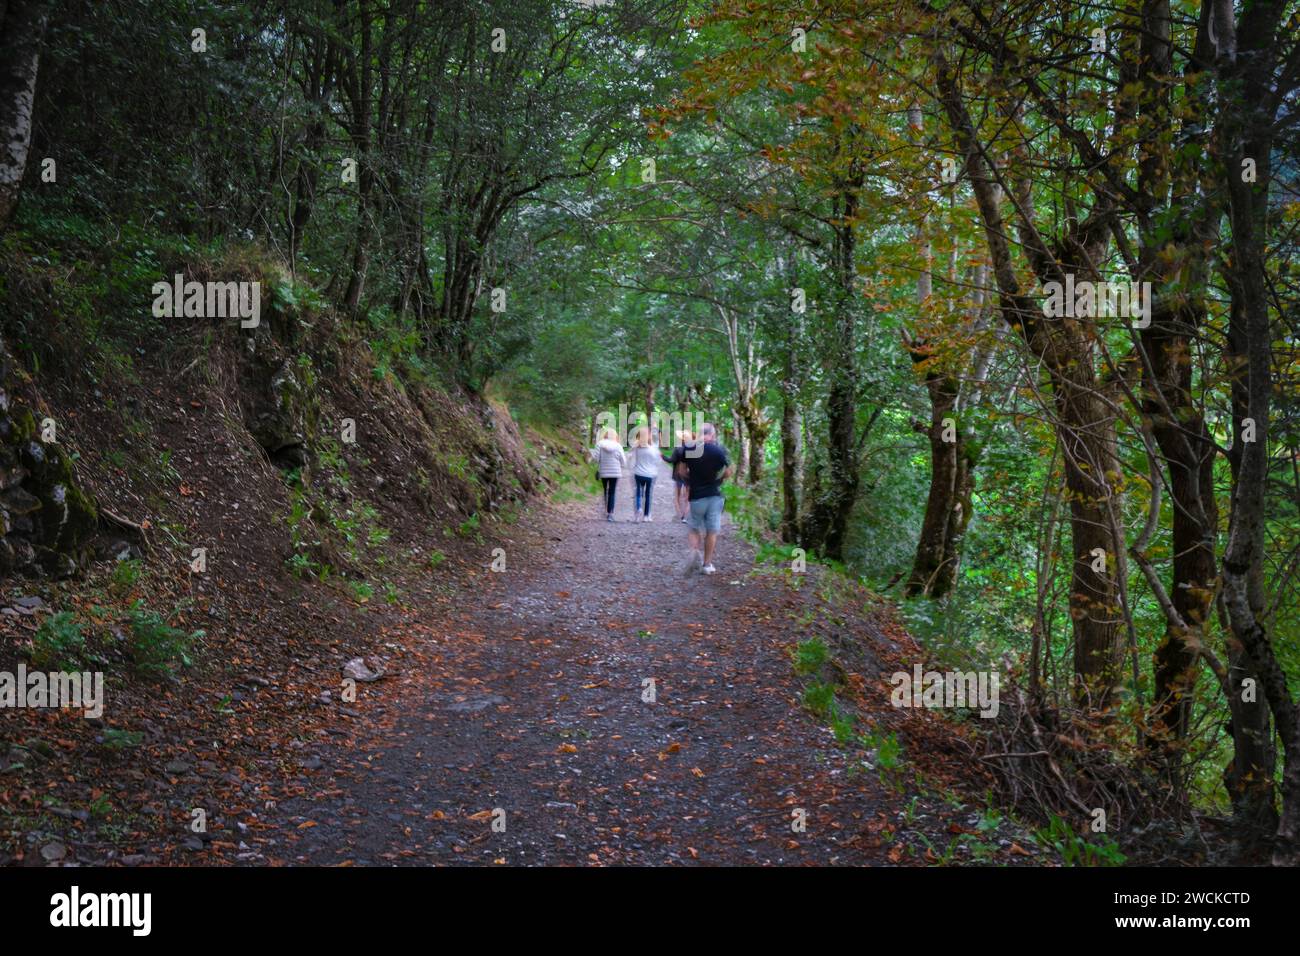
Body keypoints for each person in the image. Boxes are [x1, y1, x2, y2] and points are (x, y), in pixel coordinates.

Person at [669, 422, 732, 575]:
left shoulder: (689, 449)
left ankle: (694, 551)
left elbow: (681, 471)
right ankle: (707, 564)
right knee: (712, 531)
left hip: (696, 496)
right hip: (715, 495)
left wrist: (692, 479)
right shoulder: (720, 450)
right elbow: (729, 471)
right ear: (712, 435)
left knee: (694, 527)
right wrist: (719, 479)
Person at [591, 427, 627, 522]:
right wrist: (622, 466)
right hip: (615, 472)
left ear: (605, 435)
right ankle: (610, 514)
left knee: (605, 490)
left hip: (604, 471)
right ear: (615, 436)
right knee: (612, 491)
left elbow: (596, 458)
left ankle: (605, 510)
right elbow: (623, 460)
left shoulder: (600, 444)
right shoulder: (618, 446)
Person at [628, 427, 659, 523]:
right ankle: (646, 516)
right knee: (648, 495)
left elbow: (630, 457)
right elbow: (657, 461)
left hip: (638, 473)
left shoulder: (636, 447)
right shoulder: (653, 449)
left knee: (638, 493)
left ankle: (638, 508)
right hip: (650, 475)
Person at [661, 429, 693, 522]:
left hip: (678, 474)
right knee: (687, 496)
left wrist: (662, 456)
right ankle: (686, 516)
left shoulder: (678, 449)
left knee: (677, 495)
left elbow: (671, 460)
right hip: (689, 475)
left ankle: (680, 515)